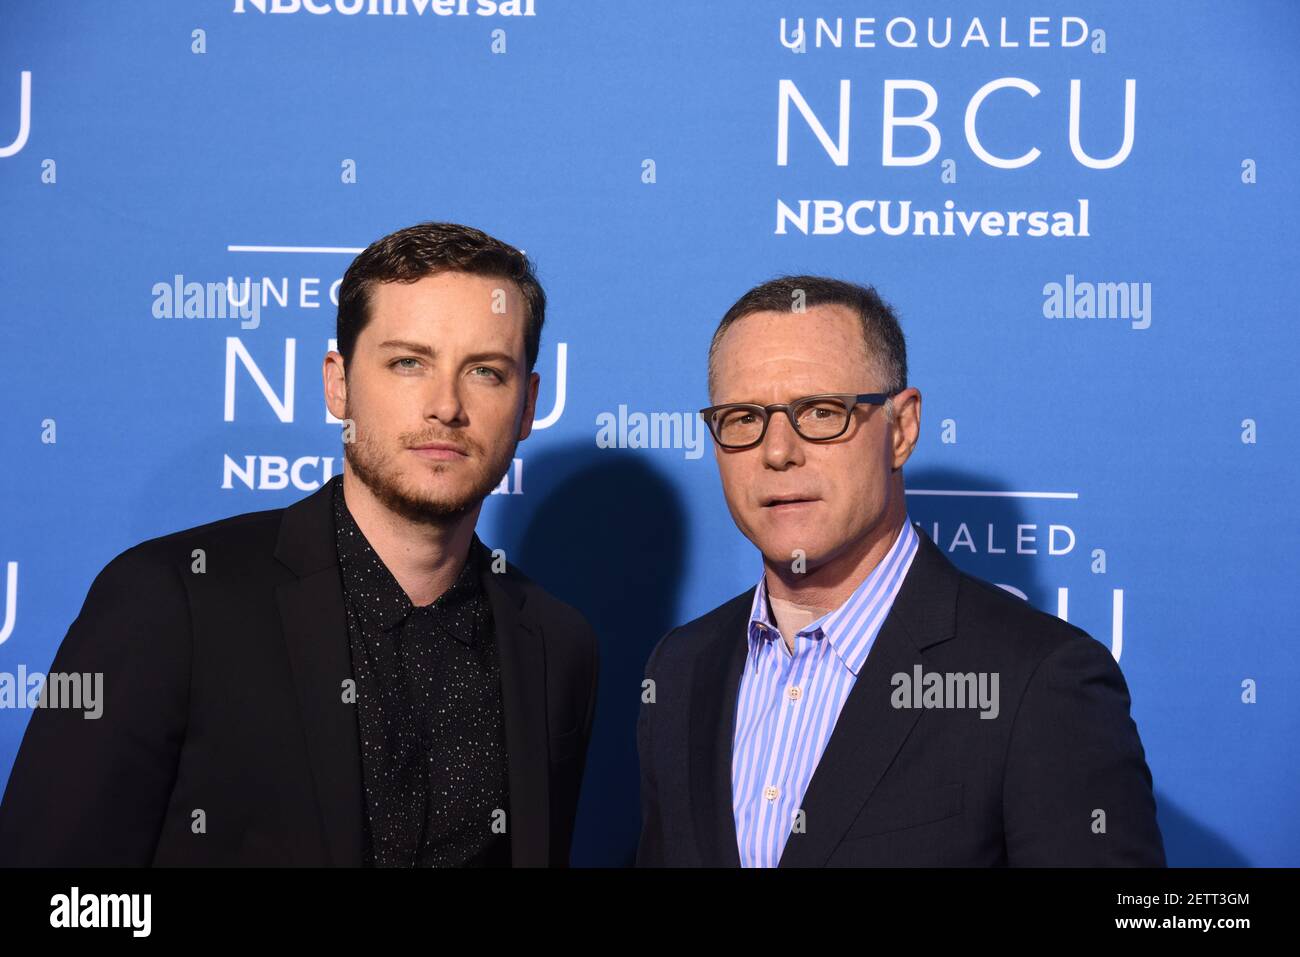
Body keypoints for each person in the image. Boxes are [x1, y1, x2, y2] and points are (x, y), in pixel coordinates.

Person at [0, 222, 598, 867]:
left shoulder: (557, 646)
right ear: (338, 383)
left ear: (528, 403)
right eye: (407, 363)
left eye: (485, 371)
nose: (445, 406)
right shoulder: (172, 600)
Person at [636, 275, 1164, 867]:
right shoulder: (680, 670)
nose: (778, 451)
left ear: (902, 429)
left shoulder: (1037, 681)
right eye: (742, 418)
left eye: (820, 411)